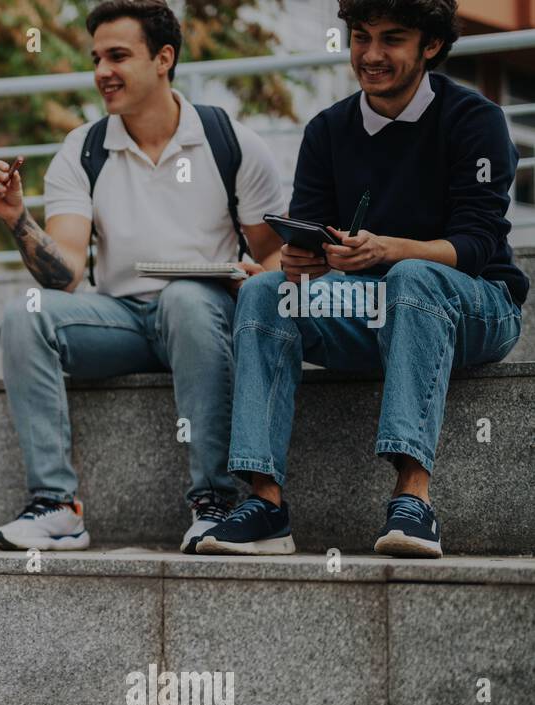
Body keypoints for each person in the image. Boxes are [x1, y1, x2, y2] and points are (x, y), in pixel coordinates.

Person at [196, 0, 527, 559]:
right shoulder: (328, 130)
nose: (371, 55)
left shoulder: (476, 120)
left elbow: (476, 245)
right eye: (361, 37)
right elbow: (305, 239)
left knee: (415, 279)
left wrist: (389, 250)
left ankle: (413, 500)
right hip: (371, 305)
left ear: (430, 45)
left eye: (391, 39)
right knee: (263, 292)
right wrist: (299, 264)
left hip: (479, 305)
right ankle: (265, 504)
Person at [0, 0, 285, 554]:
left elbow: (281, 258)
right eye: (96, 58)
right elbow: (65, 276)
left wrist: (252, 277)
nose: (101, 72)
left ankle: (214, 501)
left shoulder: (229, 140)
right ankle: (56, 506)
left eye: (118, 55)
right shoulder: (84, 149)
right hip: (120, 319)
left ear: (164, 58)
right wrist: (17, 219)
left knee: (187, 300)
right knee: (24, 311)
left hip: (204, 317)